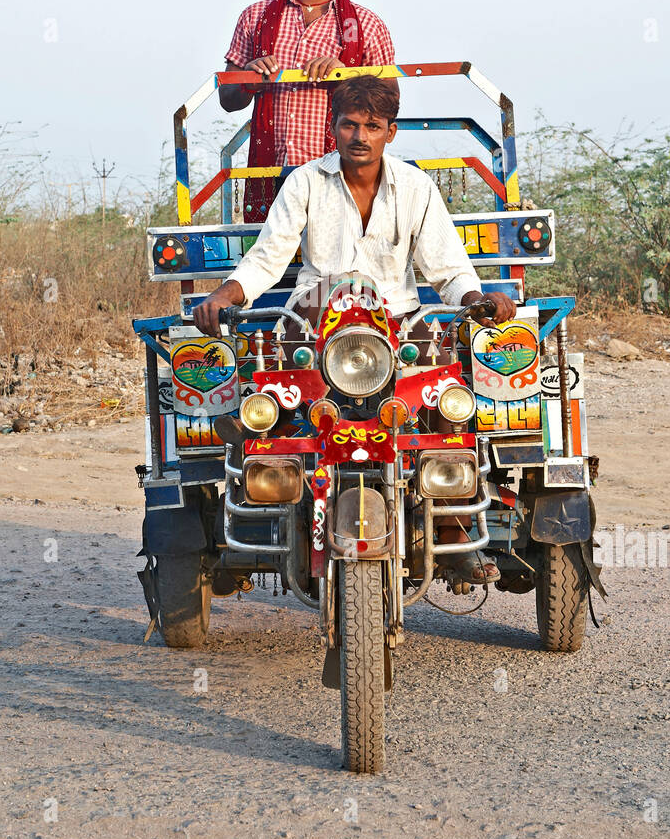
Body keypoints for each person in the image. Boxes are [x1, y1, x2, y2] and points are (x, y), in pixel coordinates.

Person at [193, 75, 516, 582]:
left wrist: (478, 300)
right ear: (333, 128)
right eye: (349, 124)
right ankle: (260, 503)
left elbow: (449, 271)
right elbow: (267, 259)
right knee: (267, 411)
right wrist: (223, 295)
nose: (359, 136)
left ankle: (452, 525)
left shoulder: (415, 186)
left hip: (400, 330)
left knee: (451, 400)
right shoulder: (304, 182)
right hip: (314, 326)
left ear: (390, 132)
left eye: (371, 126)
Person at [219, 0, 395, 221]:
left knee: (347, 271)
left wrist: (347, 77)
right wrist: (250, 76)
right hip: (272, 182)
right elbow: (228, 99)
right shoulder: (256, 18)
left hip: (343, 179)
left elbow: (391, 103)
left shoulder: (367, 26)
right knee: (275, 270)